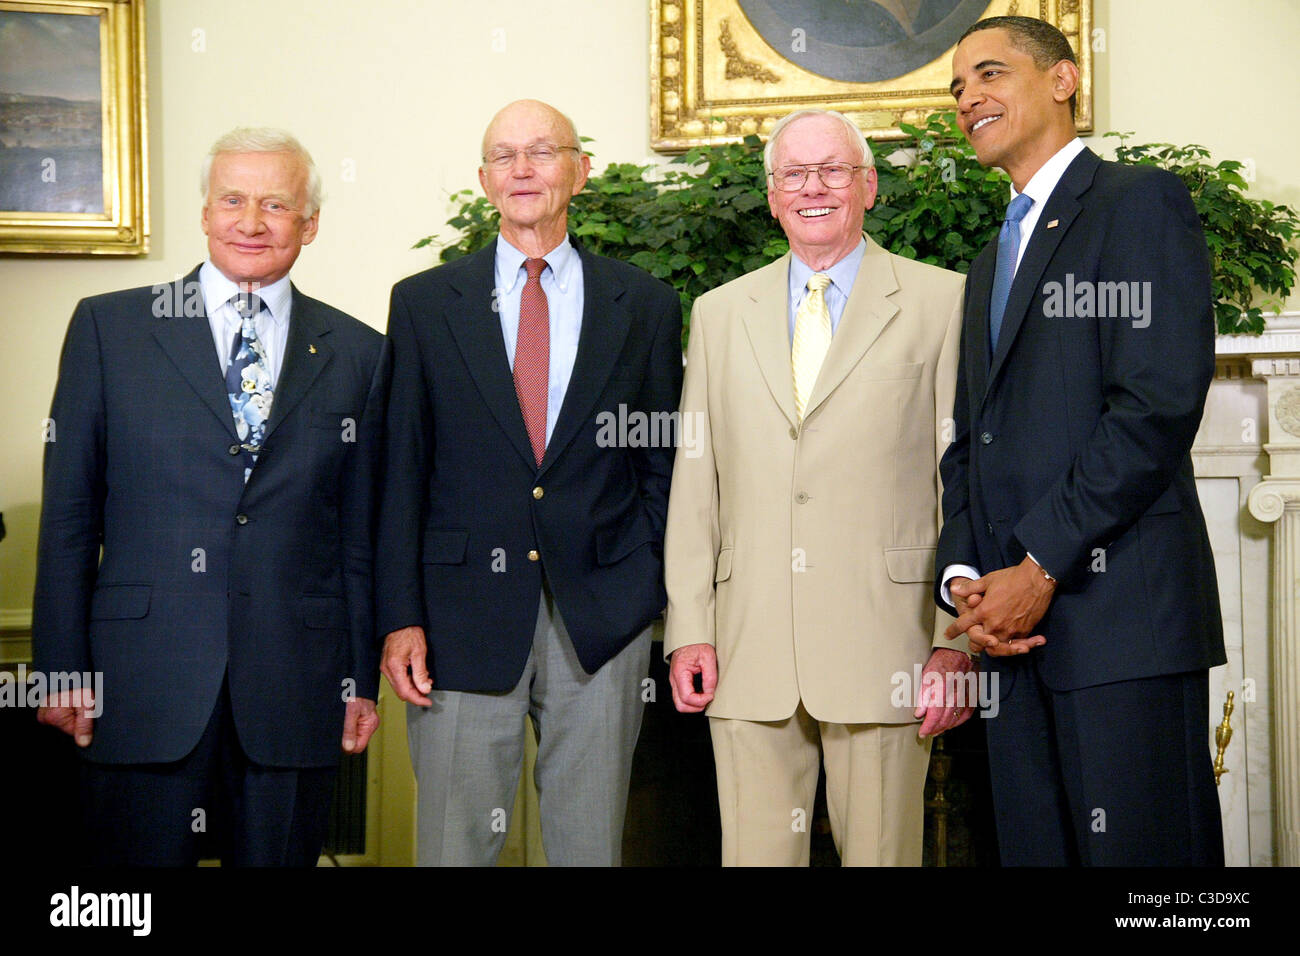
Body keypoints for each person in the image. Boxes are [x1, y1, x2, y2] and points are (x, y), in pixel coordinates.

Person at [33, 127, 391, 866]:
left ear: (310, 224)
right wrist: (61, 666)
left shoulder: (362, 352)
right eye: (232, 199)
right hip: (139, 681)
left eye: (276, 204)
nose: (251, 222)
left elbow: (360, 536)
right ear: (204, 212)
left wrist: (360, 681)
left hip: (298, 682)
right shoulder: (110, 328)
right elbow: (69, 518)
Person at [938, 16, 1226, 865]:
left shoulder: (1138, 202)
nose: (968, 99)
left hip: (1120, 623)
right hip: (1009, 637)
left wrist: (1039, 565)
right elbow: (972, 439)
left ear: (1064, 80)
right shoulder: (993, 254)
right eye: (957, 88)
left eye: (989, 74)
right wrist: (966, 583)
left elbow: (1155, 407)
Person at [663, 108, 972, 866]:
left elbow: (961, 483)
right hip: (746, 644)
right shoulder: (718, 313)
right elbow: (696, 481)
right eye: (794, 175)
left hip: (889, 639)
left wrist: (952, 641)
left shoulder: (944, 303)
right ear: (772, 196)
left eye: (833, 170)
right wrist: (689, 628)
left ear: (868, 184)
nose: (814, 189)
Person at [377, 99, 682, 866]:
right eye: (505, 156)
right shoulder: (423, 304)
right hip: (456, 621)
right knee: (456, 847)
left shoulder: (643, 303)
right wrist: (400, 616)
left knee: (588, 848)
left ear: (580, 171)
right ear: (484, 180)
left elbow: (660, 458)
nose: (523, 169)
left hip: (602, 621)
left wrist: (641, 581)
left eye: (543, 152)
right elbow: (400, 469)